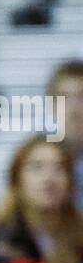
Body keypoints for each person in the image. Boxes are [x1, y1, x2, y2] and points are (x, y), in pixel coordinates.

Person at [0, 136, 83, 263]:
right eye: (37, 167)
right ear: (17, 178)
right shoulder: (0, 237)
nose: (49, 178)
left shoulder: (79, 234)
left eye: (59, 168)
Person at [47, 58, 83, 206]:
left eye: (82, 97)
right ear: (52, 105)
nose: (74, 109)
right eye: (65, 98)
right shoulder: (35, 160)